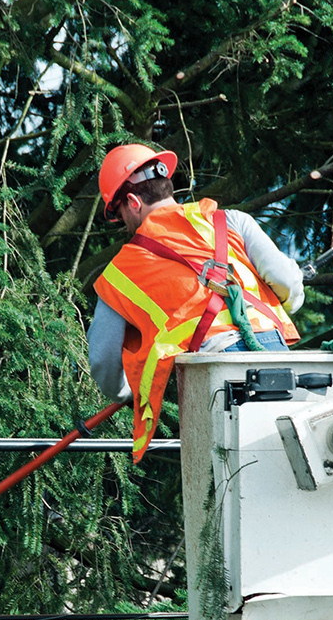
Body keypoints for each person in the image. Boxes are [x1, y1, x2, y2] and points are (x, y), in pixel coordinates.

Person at [88, 143, 305, 461]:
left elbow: (103, 361)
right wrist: (291, 302)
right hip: (274, 351)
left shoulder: (120, 272)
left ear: (132, 203)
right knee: (287, 459)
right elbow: (285, 280)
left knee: (230, 476)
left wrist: (129, 392)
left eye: (120, 216)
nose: (125, 226)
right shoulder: (230, 221)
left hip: (211, 370)